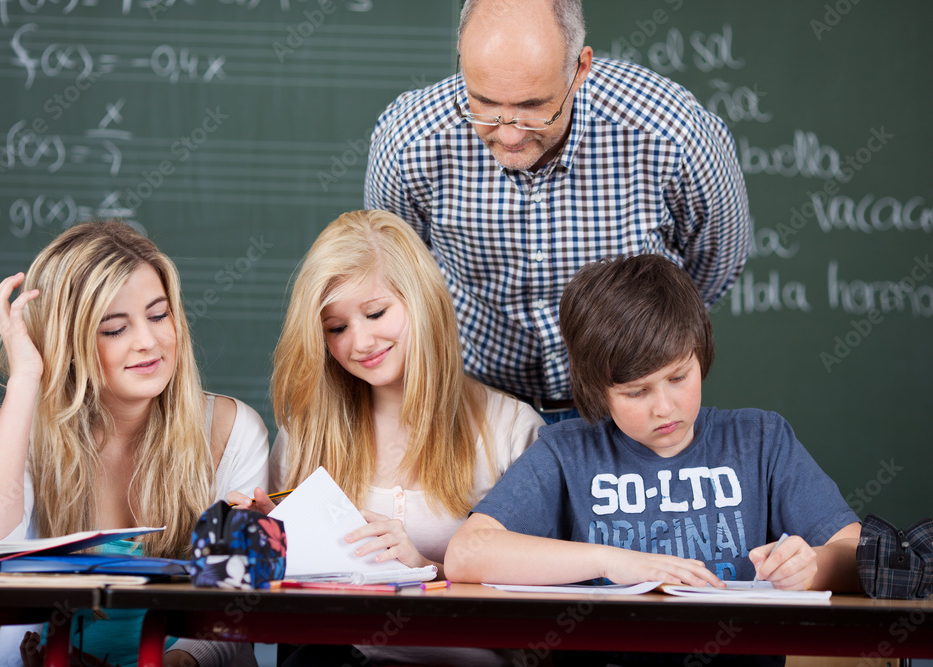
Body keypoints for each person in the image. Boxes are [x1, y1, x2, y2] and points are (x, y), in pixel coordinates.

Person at [445, 254, 861, 666]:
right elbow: (465, 554)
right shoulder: (565, 453)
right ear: (597, 390)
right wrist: (612, 560)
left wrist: (812, 568)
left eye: (678, 377)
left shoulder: (760, 440)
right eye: (636, 392)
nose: (664, 407)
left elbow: (857, 552)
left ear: (701, 353)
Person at [364, 0, 751, 421]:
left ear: (580, 68)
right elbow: (394, 271)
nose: (509, 134)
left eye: (533, 107)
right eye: (485, 103)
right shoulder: (409, 142)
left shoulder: (672, 133)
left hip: (628, 403)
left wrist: (642, 343)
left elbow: (713, 264)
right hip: (475, 404)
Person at [230, 209, 543, 666]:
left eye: (375, 313)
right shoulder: (306, 431)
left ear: (421, 300)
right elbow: (282, 610)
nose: (360, 343)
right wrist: (274, 539)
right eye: (336, 328)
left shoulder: (510, 429)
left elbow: (534, 611)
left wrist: (423, 571)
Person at [0, 221, 269, 667]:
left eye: (159, 315)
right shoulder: (19, 429)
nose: (148, 341)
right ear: (72, 343)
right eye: (115, 329)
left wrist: (177, 664)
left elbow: (237, 602)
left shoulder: (235, 432)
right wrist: (25, 379)